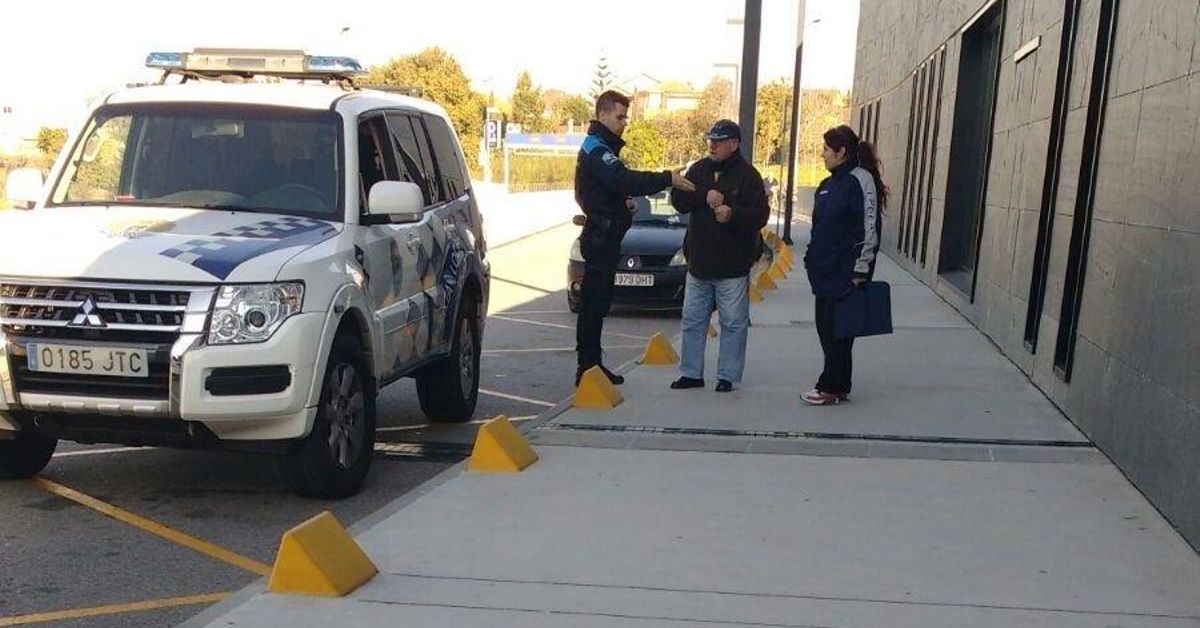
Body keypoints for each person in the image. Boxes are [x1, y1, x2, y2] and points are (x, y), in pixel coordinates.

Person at [574, 90, 695, 386]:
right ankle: (588, 368)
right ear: (602, 115)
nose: (624, 122)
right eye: (620, 116)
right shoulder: (596, 148)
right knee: (593, 304)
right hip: (600, 236)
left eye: (625, 116)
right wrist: (666, 178)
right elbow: (621, 179)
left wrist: (621, 204)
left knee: (598, 304)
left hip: (607, 234)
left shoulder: (603, 147)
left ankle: (593, 365)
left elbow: (609, 188)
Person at [668, 120, 769, 393]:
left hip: (732, 267)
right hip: (699, 263)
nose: (712, 145)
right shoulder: (699, 170)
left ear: (734, 144)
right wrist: (703, 195)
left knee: (733, 324)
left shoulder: (748, 176)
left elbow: (760, 215)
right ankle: (691, 373)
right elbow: (680, 202)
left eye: (719, 140)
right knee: (692, 321)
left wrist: (732, 214)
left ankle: (727, 376)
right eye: (710, 139)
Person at [801, 125, 889, 406]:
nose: (822, 155)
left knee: (839, 333)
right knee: (825, 330)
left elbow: (870, 226)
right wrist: (810, 259)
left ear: (842, 152)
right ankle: (839, 386)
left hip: (846, 273)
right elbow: (819, 228)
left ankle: (829, 386)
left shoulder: (860, 180)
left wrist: (861, 270)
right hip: (823, 273)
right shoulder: (826, 186)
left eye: (827, 149)